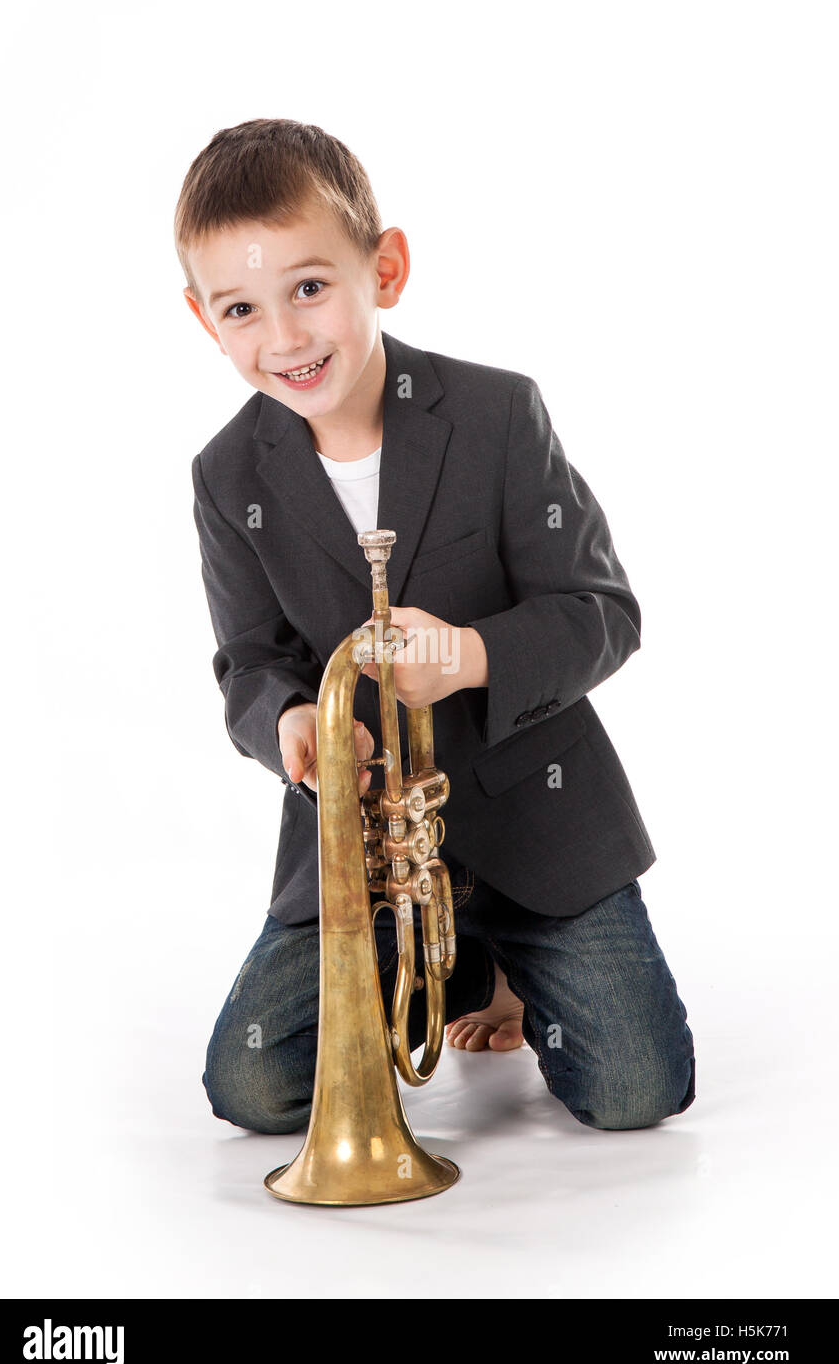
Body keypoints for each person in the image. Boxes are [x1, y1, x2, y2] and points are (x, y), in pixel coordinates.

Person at [175, 117, 695, 1135]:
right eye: (241, 307)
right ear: (204, 320)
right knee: (254, 1089)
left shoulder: (497, 415)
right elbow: (247, 659)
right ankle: (453, 970)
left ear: (387, 267)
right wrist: (286, 721)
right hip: (364, 850)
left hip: (537, 826)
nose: (282, 337)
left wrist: (467, 656)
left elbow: (602, 612)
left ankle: (506, 957)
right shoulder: (226, 474)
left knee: (633, 1090)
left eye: (310, 287)